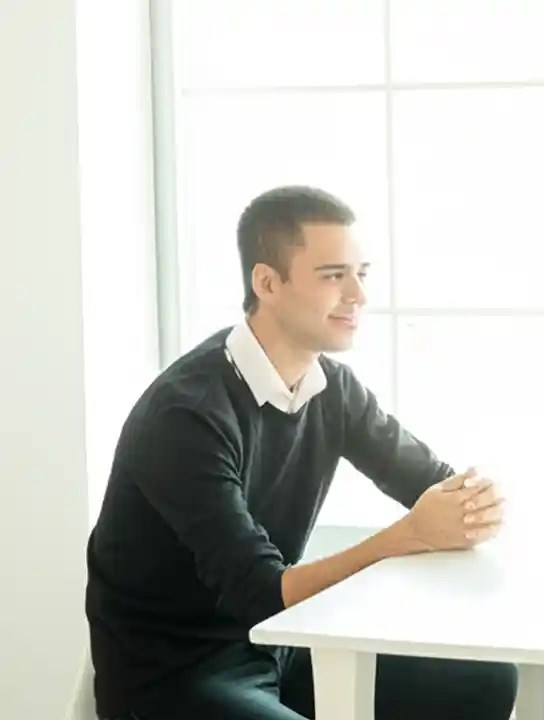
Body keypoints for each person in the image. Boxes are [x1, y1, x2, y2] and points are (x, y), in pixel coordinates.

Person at [85, 186, 518, 719]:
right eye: (334, 275)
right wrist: (409, 536)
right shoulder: (186, 416)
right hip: (175, 676)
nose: (358, 294)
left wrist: (472, 503)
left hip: (281, 649)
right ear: (267, 283)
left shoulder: (331, 388)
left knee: (484, 681)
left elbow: (433, 483)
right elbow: (263, 593)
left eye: (362, 272)